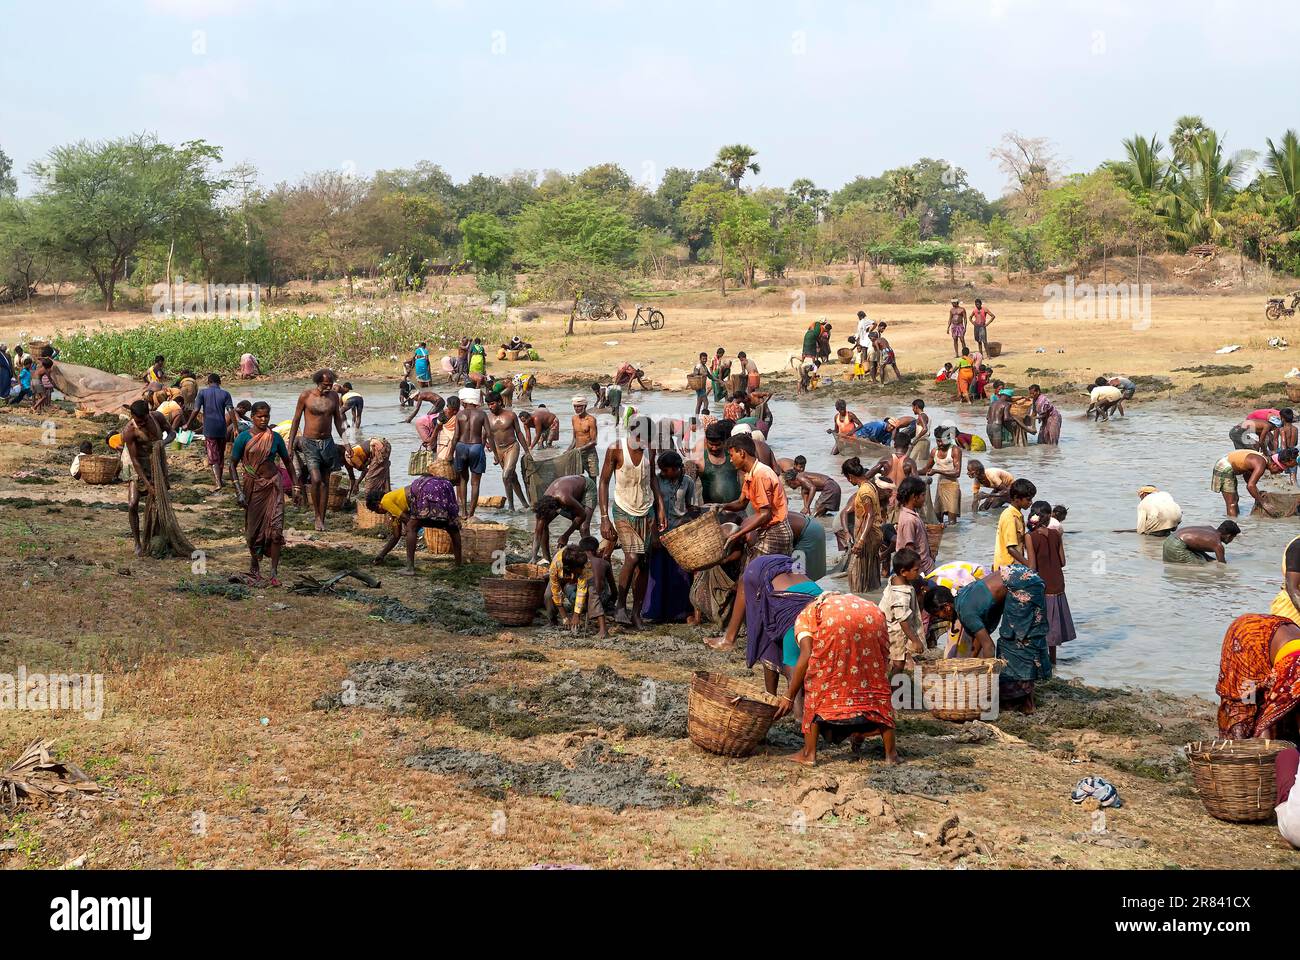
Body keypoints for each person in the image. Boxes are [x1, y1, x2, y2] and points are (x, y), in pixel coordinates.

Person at [773, 592, 898, 766]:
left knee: (817, 685)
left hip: (836, 622)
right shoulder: (850, 601)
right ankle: (891, 755)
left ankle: (809, 754)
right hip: (874, 616)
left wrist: (789, 696)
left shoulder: (806, 615)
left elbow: (807, 654)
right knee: (873, 682)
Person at [599, 414, 657, 627]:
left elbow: (653, 480)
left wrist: (659, 511)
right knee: (632, 557)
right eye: (641, 437)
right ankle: (621, 605)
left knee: (644, 563)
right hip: (623, 509)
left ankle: (637, 612)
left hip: (647, 510)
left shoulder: (650, 450)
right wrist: (604, 518)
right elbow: (603, 482)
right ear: (632, 433)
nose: (644, 442)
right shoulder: (616, 449)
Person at [230, 401, 295, 586]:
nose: (263, 419)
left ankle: (274, 572)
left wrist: (296, 486)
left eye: (266, 416)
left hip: (274, 486)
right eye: (260, 416)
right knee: (253, 533)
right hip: (252, 488)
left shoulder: (274, 438)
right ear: (252, 417)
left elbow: (287, 462)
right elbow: (232, 464)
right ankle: (255, 566)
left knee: (276, 531)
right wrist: (238, 491)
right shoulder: (243, 438)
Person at [1215, 614, 1300, 739]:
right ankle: (1241, 750)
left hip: (1274, 636)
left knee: (1287, 718)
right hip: (1247, 643)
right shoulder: (1292, 677)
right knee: (1245, 704)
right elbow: (1268, 720)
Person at [288, 369, 346, 532]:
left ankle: (323, 518)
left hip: (327, 442)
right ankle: (317, 516)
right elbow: (296, 420)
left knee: (326, 482)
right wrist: (290, 445)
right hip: (309, 442)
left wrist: (346, 443)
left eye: (330, 384)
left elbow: (338, 422)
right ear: (318, 382)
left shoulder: (334, 397)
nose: (328, 387)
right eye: (325, 384)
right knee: (315, 479)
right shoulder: (306, 396)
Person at [642, 450, 696, 624]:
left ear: (676, 468)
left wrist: (686, 524)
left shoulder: (687, 482)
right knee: (658, 572)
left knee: (680, 574)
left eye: (666, 470)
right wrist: (655, 534)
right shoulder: (656, 481)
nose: (664, 473)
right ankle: (656, 612)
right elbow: (650, 508)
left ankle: (680, 612)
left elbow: (690, 507)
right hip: (660, 533)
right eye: (662, 471)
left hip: (679, 534)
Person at [720, 432, 792, 560]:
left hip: (775, 532)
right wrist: (721, 506)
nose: (730, 460)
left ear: (741, 453)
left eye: (731, 455)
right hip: (768, 530)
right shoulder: (751, 474)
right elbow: (741, 503)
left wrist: (737, 535)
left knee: (753, 575)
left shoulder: (760, 475)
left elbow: (765, 514)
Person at [121, 399, 177, 557]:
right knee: (133, 503)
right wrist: (147, 484)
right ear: (132, 416)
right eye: (140, 421)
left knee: (158, 502)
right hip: (136, 463)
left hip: (156, 461)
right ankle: (138, 542)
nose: (143, 424)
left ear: (149, 413)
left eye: (145, 420)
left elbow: (172, 433)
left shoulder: (157, 417)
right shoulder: (129, 431)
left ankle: (157, 536)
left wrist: (162, 443)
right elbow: (135, 461)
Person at [1025, 502, 1074, 662]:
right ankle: (1052, 660)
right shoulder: (1056, 534)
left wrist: (1019, 561)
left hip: (1042, 585)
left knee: (1038, 623)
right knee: (1053, 625)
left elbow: (1032, 567)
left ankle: (1040, 660)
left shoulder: (1029, 537)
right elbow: (1062, 562)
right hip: (1058, 583)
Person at [923, 560, 987, 656]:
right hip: (960, 579)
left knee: (968, 625)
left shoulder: (951, 587)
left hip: (979, 577)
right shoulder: (934, 590)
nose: (939, 618)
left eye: (937, 615)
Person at [1212, 447, 1299, 517]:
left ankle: (1236, 521)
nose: (1280, 472)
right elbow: (1250, 486)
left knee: (1235, 499)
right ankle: (1232, 526)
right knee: (1231, 503)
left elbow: (1247, 474)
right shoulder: (1261, 463)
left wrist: (1257, 494)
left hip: (1228, 464)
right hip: (1224, 467)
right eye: (1280, 470)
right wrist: (1264, 503)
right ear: (1274, 465)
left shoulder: (1263, 459)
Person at [840, 457, 884, 592]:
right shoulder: (870, 485)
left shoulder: (864, 491)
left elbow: (869, 515)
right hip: (874, 534)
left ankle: (859, 599)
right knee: (870, 573)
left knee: (856, 575)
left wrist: (861, 540)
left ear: (851, 476)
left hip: (868, 537)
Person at [531, 475, 596, 562]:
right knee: (544, 525)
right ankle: (546, 559)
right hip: (569, 492)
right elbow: (538, 533)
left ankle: (591, 559)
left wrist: (566, 536)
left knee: (583, 527)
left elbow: (582, 515)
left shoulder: (564, 499)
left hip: (586, 488)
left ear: (555, 509)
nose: (547, 517)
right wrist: (534, 557)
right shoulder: (543, 506)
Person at [881, 548, 925, 673]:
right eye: (916, 570)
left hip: (890, 625)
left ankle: (893, 687)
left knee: (897, 661)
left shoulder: (895, 579)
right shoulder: (901, 595)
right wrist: (915, 641)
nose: (919, 572)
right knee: (898, 664)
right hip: (896, 631)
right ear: (903, 572)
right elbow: (903, 620)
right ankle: (895, 691)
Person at [188, 373, 235, 491]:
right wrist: (236, 426)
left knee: (213, 456)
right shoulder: (225, 394)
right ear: (220, 383)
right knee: (220, 453)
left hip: (210, 428)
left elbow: (196, 410)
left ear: (208, 382)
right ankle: (220, 479)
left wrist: (187, 424)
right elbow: (230, 410)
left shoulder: (203, 393)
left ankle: (218, 482)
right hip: (222, 428)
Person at [485, 393, 531, 512]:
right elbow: (488, 437)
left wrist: (527, 451)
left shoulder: (511, 415)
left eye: (492, 403)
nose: (490, 407)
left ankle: (511, 507)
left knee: (505, 476)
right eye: (488, 404)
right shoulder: (488, 418)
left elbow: (519, 433)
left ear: (499, 402)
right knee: (512, 477)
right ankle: (525, 504)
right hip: (499, 450)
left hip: (512, 447)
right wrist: (495, 455)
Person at [545, 545, 602, 636]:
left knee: (582, 595)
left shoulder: (584, 564)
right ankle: (552, 621)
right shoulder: (555, 564)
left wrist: (576, 615)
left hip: (574, 574)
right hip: (560, 574)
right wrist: (564, 617)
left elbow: (581, 590)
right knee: (548, 595)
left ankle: (581, 616)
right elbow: (555, 590)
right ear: (571, 568)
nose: (581, 570)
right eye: (579, 570)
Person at [453, 387, 491, 518]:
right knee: (475, 483)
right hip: (476, 446)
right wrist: (496, 455)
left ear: (465, 401)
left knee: (463, 480)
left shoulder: (459, 415)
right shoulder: (482, 414)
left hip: (461, 446)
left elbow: (456, 436)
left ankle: (463, 512)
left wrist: (449, 454)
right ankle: (471, 513)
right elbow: (489, 434)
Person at [992, 479, 1036, 571]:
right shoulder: (1010, 516)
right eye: (1028, 499)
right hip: (1007, 567)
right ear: (1016, 498)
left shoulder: (1017, 515)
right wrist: (1029, 564)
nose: (1031, 502)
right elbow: (1011, 548)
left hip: (1015, 565)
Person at [893, 476, 934, 575]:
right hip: (921, 570)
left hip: (924, 566)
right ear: (914, 497)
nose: (924, 499)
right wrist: (917, 575)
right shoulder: (909, 520)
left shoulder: (912, 514)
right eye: (923, 495)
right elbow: (909, 549)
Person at [921, 432, 962, 524]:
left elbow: (957, 472)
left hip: (952, 486)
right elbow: (926, 469)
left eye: (942, 441)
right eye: (938, 441)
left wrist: (937, 471)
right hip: (940, 486)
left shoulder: (955, 450)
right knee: (938, 517)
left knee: (952, 521)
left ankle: (951, 537)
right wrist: (913, 471)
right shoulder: (934, 451)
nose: (940, 444)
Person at [1162, 522, 1240, 564]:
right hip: (1176, 545)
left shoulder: (1210, 529)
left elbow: (1197, 548)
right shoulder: (1217, 544)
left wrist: (1211, 560)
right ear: (1228, 536)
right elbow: (1222, 565)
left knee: (1204, 560)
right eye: (1233, 537)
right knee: (1201, 566)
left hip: (1169, 540)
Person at [568, 397, 600, 480]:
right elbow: (575, 439)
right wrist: (568, 450)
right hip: (578, 454)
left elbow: (594, 441)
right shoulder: (574, 419)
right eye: (575, 406)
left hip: (590, 453)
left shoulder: (591, 420)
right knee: (577, 479)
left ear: (585, 406)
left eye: (579, 406)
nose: (576, 409)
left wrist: (579, 449)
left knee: (593, 478)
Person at [692, 352, 712, 416]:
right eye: (703, 359)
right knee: (706, 402)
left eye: (706, 359)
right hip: (699, 387)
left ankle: (697, 418)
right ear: (700, 359)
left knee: (699, 403)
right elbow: (695, 375)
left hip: (702, 387)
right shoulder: (698, 366)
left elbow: (710, 376)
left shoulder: (705, 367)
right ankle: (704, 417)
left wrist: (718, 380)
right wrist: (702, 374)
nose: (705, 360)